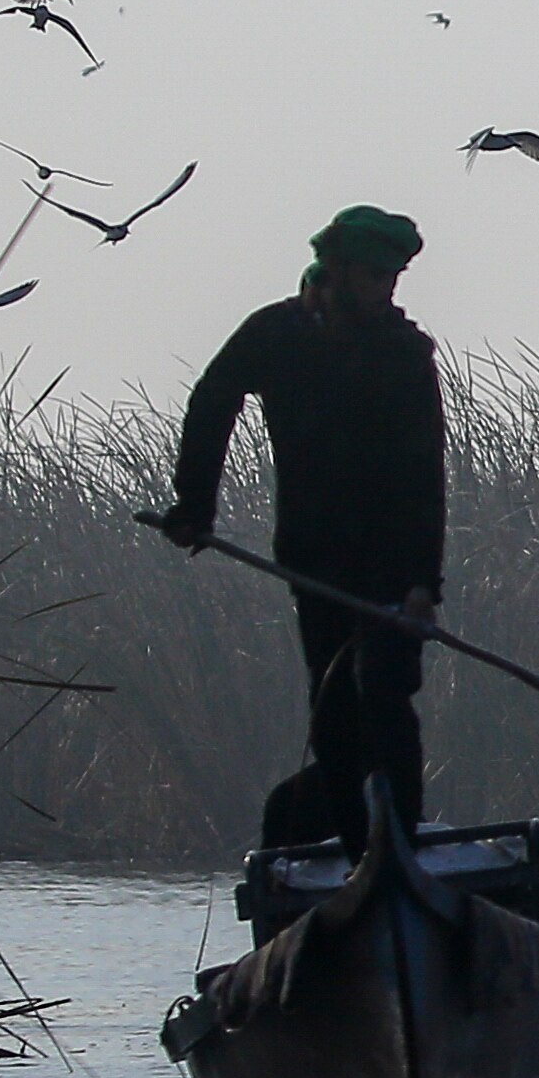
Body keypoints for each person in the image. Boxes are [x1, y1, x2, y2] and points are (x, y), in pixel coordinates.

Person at [158, 206, 448, 849]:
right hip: (312, 558)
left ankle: (398, 849)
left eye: (395, 276)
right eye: (376, 275)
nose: (388, 289)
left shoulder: (403, 353)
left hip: (394, 570)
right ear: (338, 271)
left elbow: (426, 477)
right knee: (335, 713)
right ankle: (357, 852)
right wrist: (195, 508)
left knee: (389, 699)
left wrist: (425, 584)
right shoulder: (278, 335)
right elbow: (213, 401)